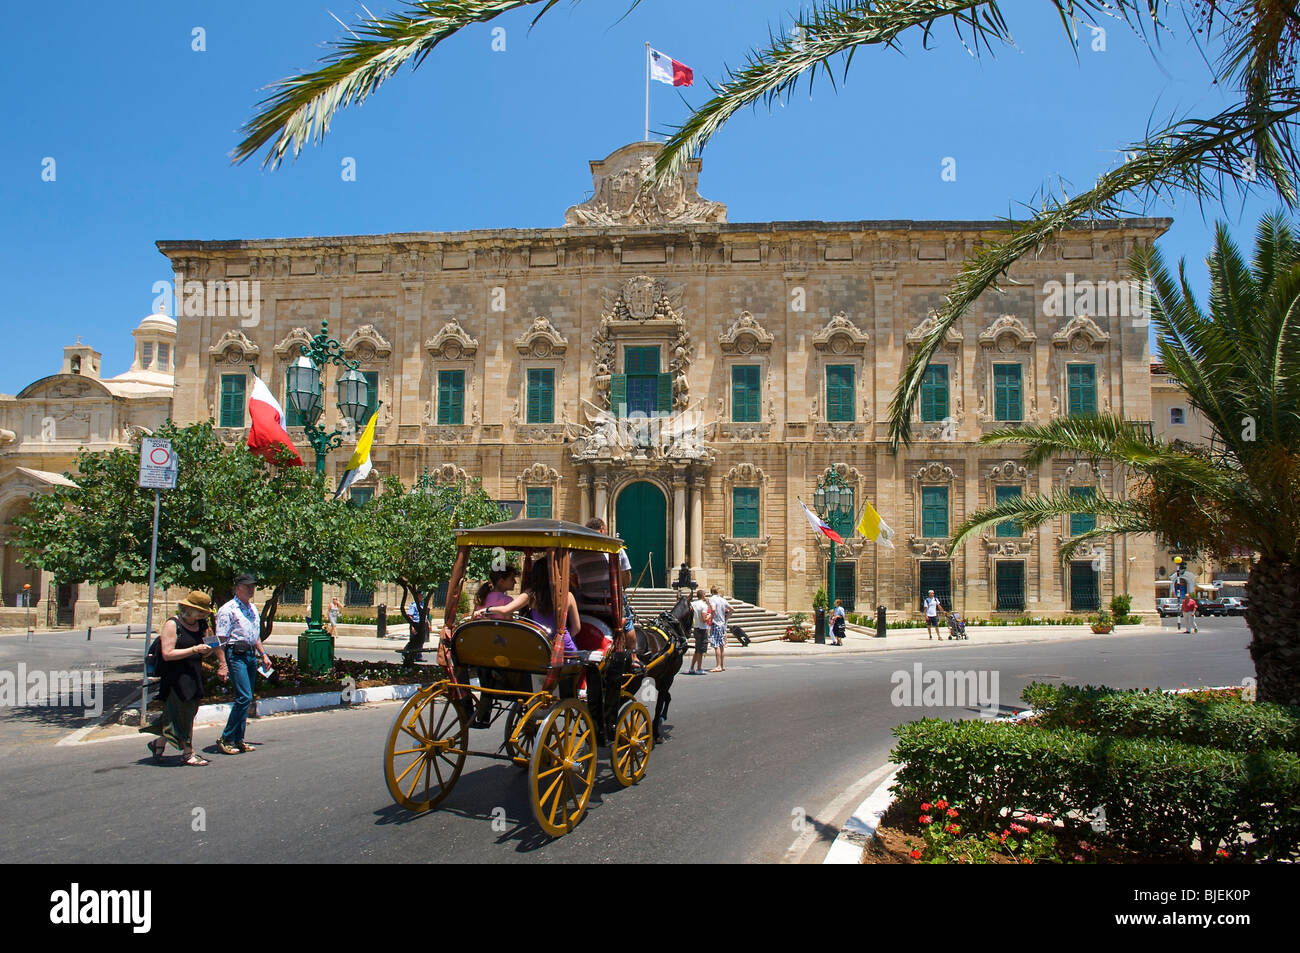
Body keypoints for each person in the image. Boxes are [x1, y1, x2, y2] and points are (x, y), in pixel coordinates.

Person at [141, 590, 221, 766]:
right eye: (200, 611)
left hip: (194, 674)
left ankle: (158, 743)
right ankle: (188, 752)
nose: (203, 614)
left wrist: (208, 650)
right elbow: (167, 653)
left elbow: (210, 647)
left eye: (204, 611)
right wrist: (193, 650)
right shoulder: (172, 624)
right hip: (176, 677)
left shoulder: (202, 625)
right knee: (183, 713)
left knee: (186, 712)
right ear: (189, 609)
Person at [472, 559, 580, 655]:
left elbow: (505, 610)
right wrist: (559, 639)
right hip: (565, 648)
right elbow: (576, 628)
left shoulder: (531, 595)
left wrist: (487, 610)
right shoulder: (567, 596)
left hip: (542, 647)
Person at [216, 573, 272, 756]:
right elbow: (220, 640)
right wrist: (222, 664)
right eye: (247, 586)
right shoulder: (228, 609)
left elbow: (254, 635)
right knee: (244, 697)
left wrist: (263, 654)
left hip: (249, 654)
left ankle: (239, 739)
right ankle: (226, 737)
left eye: (253, 586)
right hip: (235, 654)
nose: (251, 589)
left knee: (247, 697)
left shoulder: (252, 609)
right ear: (238, 587)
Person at [707, 585, 731, 672]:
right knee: (721, 645)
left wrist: (712, 618)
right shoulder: (722, 599)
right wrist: (726, 618)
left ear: (711, 591)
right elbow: (732, 609)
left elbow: (713, 609)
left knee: (716, 645)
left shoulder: (712, 599)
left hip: (716, 624)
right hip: (722, 625)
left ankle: (718, 666)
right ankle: (722, 665)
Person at [687, 588, 710, 674]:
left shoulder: (693, 604)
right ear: (703, 595)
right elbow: (704, 619)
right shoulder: (703, 606)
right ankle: (699, 668)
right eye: (705, 594)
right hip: (702, 629)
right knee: (700, 650)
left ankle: (692, 668)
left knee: (697, 649)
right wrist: (710, 615)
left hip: (696, 627)